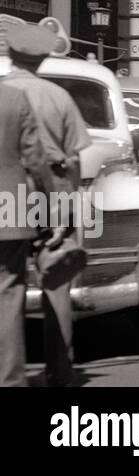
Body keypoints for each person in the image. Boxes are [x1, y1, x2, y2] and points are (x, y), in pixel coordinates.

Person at [0, 21, 93, 386]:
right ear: (41, 58)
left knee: (8, 288)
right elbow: (73, 156)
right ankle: (60, 369)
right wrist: (67, 203)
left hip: (10, 196)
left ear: (11, 54)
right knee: (56, 279)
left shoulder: (4, 94)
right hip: (51, 191)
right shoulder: (58, 97)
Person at [0, 73, 50, 387]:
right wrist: (49, 200)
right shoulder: (15, 98)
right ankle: (10, 379)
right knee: (8, 296)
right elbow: (35, 158)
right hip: (10, 208)